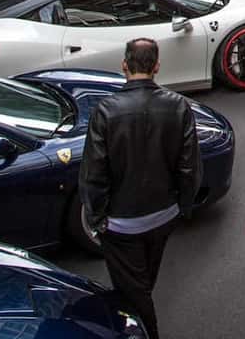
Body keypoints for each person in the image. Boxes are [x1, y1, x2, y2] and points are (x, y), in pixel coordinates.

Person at [81, 37, 201, 339]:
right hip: (164, 215)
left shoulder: (106, 110)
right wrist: (183, 207)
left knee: (132, 293)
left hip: (121, 224)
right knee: (144, 279)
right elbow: (189, 167)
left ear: (124, 65)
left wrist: (97, 219)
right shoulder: (178, 106)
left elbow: (94, 174)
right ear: (157, 66)